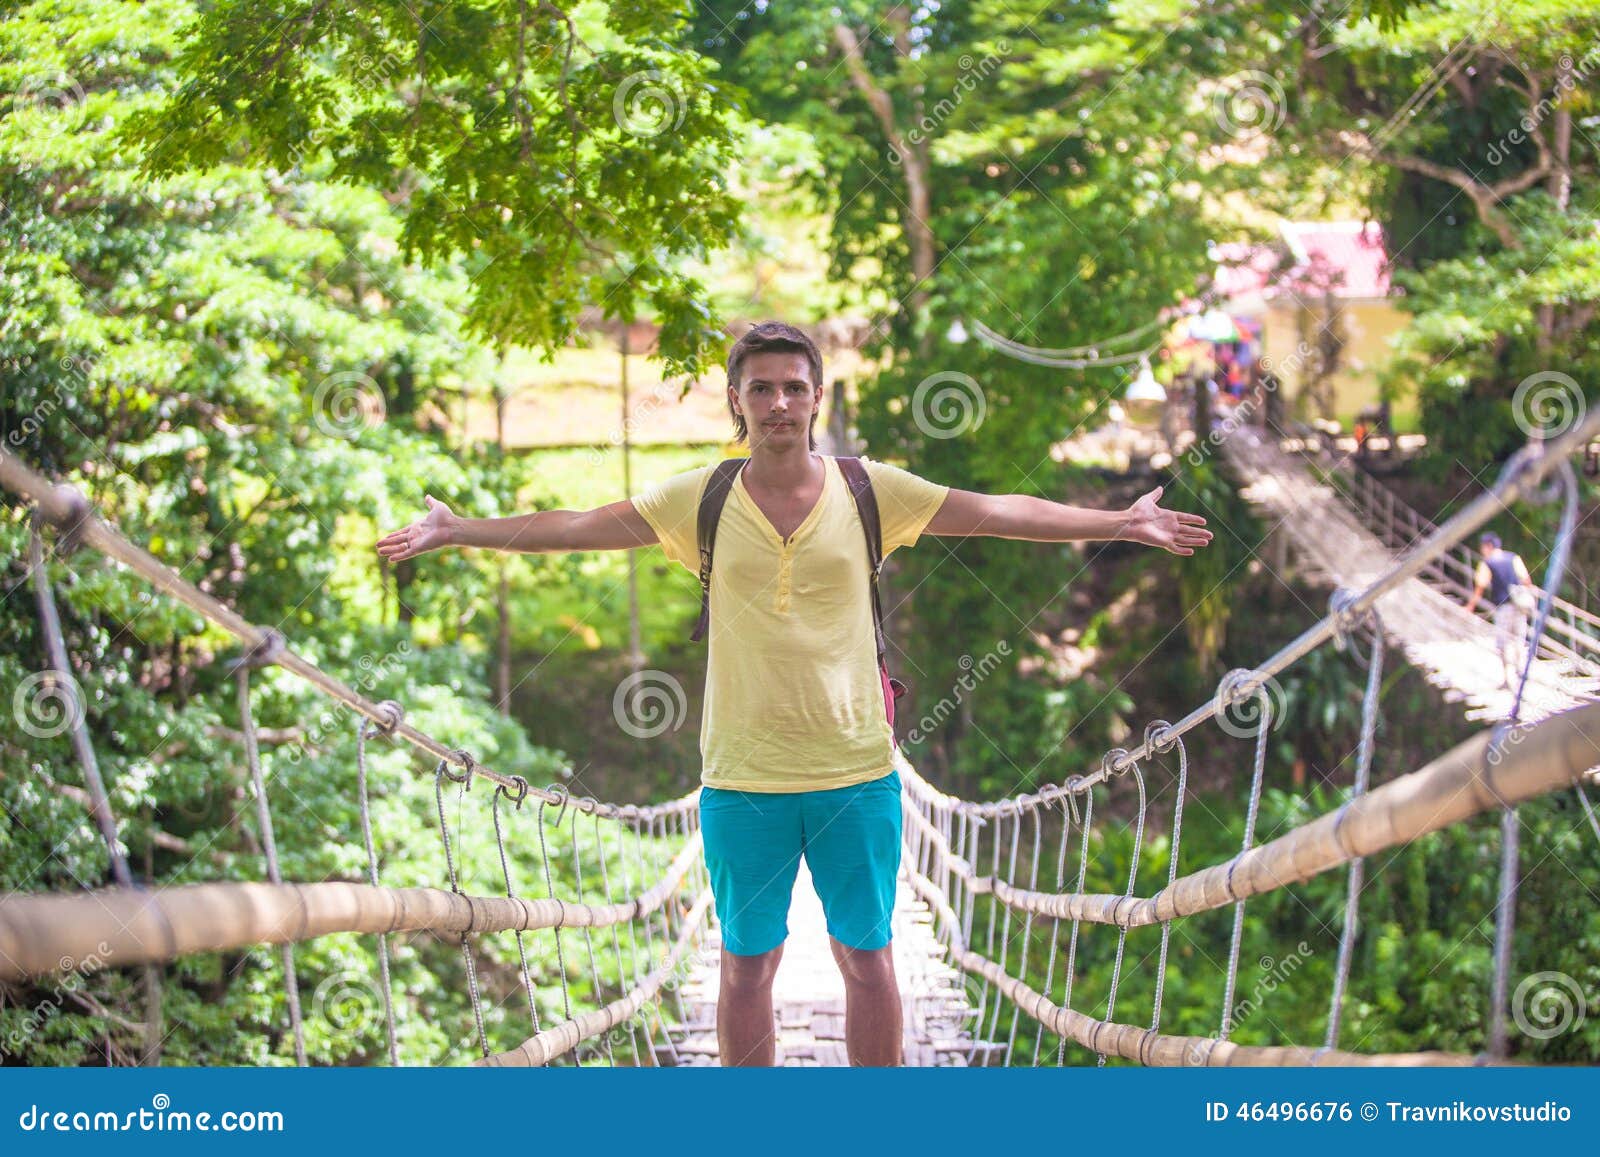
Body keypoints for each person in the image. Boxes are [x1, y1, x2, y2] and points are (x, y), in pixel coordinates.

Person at [375, 321, 1213, 1067]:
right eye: (761, 388)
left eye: (794, 387)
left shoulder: (868, 489)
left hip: (856, 771)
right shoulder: (699, 498)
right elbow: (575, 526)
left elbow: (995, 511)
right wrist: (458, 530)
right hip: (742, 776)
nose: (779, 402)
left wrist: (1118, 521)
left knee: (868, 957)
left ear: (817, 397)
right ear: (737, 401)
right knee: (747, 964)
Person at [1463, 531, 1539, 689]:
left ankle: (1507, 679)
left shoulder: (1487, 563)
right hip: (1519, 605)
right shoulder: (1513, 557)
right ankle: (1521, 674)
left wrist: (1470, 607)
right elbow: (1526, 580)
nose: (1481, 550)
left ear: (1488, 546)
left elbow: (1480, 587)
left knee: (1502, 643)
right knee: (1519, 640)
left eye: (1482, 547)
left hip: (1503, 607)